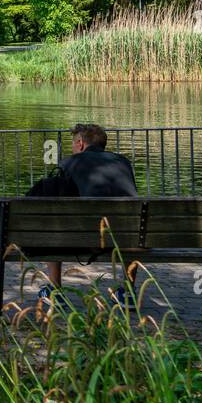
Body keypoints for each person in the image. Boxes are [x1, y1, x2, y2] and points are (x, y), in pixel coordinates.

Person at [30, 122, 137, 307]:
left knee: (53, 227)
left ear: (80, 143)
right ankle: (128, 292)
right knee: (129, 229)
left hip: (82, 240)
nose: (72, 147)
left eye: (73, 143)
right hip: (127, 239)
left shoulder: (69, 163)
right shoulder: (123, 162)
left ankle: (55, 289)